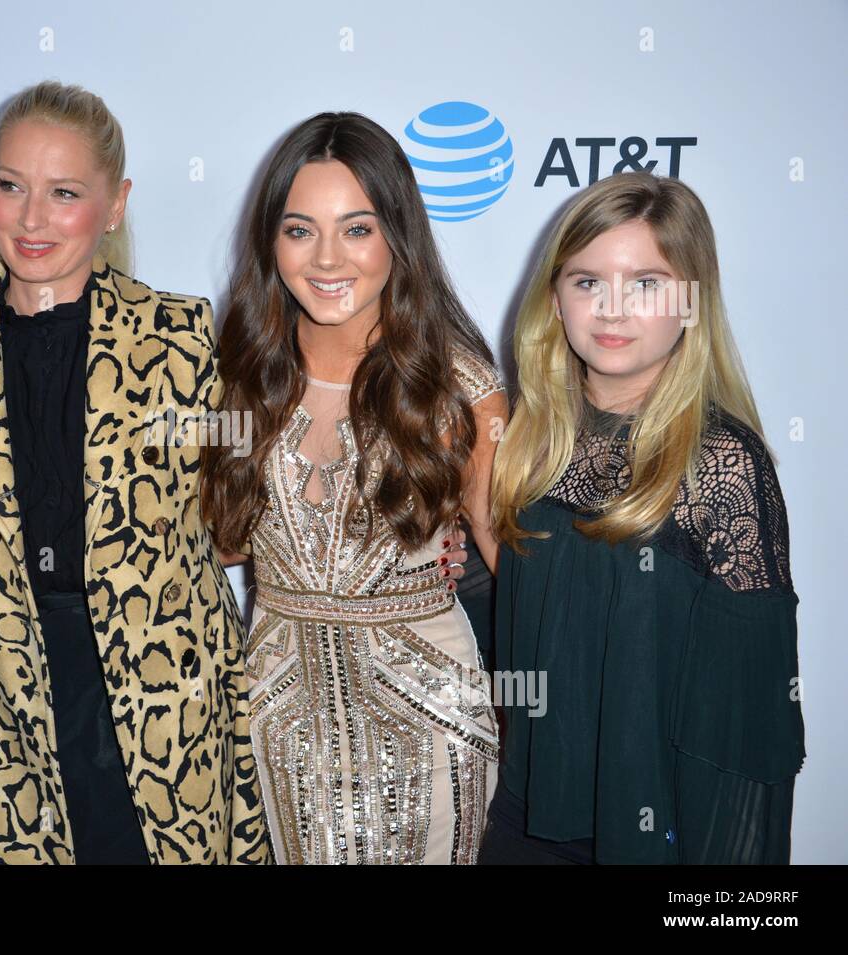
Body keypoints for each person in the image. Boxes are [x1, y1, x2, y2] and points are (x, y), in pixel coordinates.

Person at [0, 80, 270, 864]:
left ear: (115, 204)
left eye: (64, 193)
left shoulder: (182, 340)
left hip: (168, 705)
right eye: (11, 186)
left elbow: (242, 516)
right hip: (4, 709)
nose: (32, 219)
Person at [200, 111, 505, 864]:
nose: (328, 258)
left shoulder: (461, 390)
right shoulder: (237, 378)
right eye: (300, 230)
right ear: (271, 242)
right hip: (277, 722)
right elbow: (220, 543)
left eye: (357, 229)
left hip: (433, 723)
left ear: (398, 236)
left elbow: (517, 562)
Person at [480, 170, 805, 864]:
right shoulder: (531, 439)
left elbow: (749, 727)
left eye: (646, 283)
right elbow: (526, 624)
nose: (612, 309)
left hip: (658, 840)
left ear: (692, 301)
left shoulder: (721, 464)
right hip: (525, 821)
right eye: (587, 281)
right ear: (555, 300)